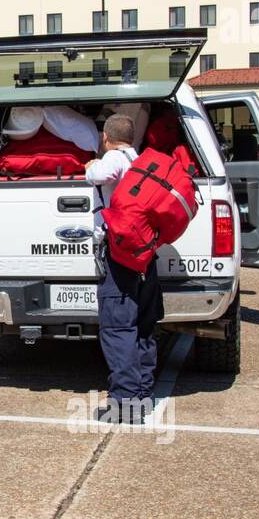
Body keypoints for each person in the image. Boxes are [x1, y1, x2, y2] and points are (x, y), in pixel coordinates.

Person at [85, 113, 162, 424]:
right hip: (146, 253)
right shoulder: (142, 160)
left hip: (122, 255)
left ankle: (125, 405)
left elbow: (98, 175)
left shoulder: (115, 158)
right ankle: (142, 394)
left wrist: (92, 165)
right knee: (144, 326)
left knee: (119, 329)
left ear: (106, 137)